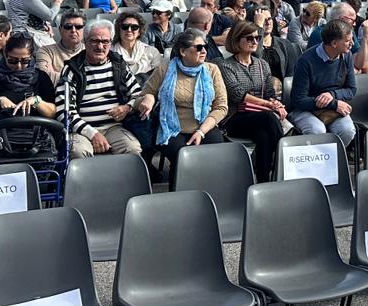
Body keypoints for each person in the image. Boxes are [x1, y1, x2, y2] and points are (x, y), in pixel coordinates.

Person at [62, 21, 155, 159]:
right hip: (81, 130)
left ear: (110, 42)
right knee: (78, 152)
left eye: (105, 41)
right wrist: (93, 134)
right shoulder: (72, 69)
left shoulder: (119, 65)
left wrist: (127, 108)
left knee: (132, 149)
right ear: (85, 41)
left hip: (114, 127)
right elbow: (64, 112)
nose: (100, 47)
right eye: (95, 41)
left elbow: (137, 94)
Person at [151, 30, 229, 180]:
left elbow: (221, 106)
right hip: (173, 129)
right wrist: (148, 98)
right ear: (183, 51)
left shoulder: (212, 70)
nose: (204, 51)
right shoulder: (165, 70)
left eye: (205, 47)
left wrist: (201, 132)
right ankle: (180, 192)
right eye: (199, 47)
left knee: (217, 153)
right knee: (184, 157)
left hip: (205, 125)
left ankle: (210, 190)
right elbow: (145, 94)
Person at [218, 20, 285, 183]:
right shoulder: (226, 66)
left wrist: (275, 103)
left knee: (263, 137)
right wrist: (267, 104)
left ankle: (264, 182)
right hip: (234, 116)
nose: (254, 41)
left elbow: (269, 93)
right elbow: (237, 94)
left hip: (259, 116)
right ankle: (285, 156)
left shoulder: (262, 65)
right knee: (268, 118)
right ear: (236, 40)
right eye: (249, 38)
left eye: (257, 38)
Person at [289, 20, 358, 145]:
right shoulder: (306, 61)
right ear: (334, 43)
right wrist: (333, 104)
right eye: (348, 40)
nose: (352, 44)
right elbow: (298, 100)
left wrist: (331, 95)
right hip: (306, 109)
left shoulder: (346, 56)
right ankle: (319, 158)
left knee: (347, 130)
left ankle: (335, 156)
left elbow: (351, 90)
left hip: (332, 108)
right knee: (317, 131)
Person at [111, 12, 162, 83]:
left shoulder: (152, 52)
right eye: (125, 26)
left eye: (134, 27)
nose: (129, 30)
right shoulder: (110, 52)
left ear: (139, 32)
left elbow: (158, 77)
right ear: (119, 30)